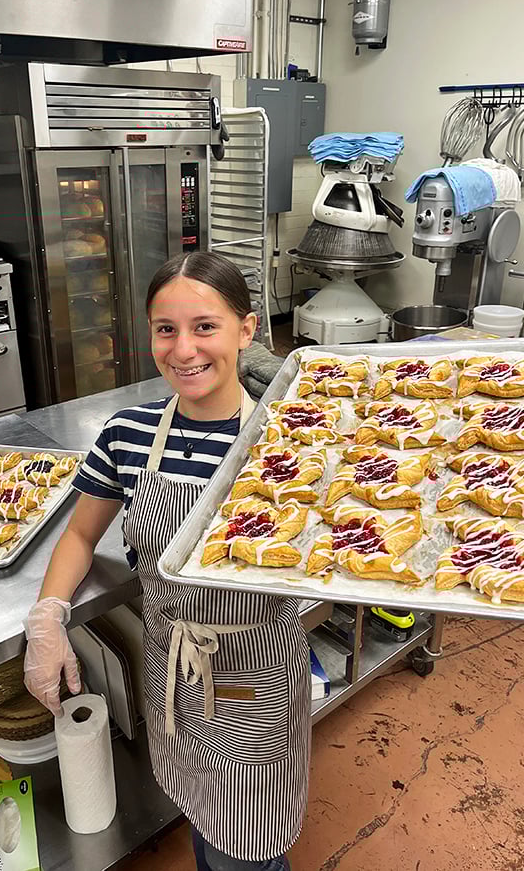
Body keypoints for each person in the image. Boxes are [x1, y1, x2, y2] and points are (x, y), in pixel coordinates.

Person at [24, 251, 311, 871]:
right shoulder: (126, 434)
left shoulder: (288, 439)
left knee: (249, 847)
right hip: (171, 667)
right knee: (200, 813)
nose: (183, 349)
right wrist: (47, 618)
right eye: (166, 329)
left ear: (247, 328)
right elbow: (78, 538)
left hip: (256, 675)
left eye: (205, 326)